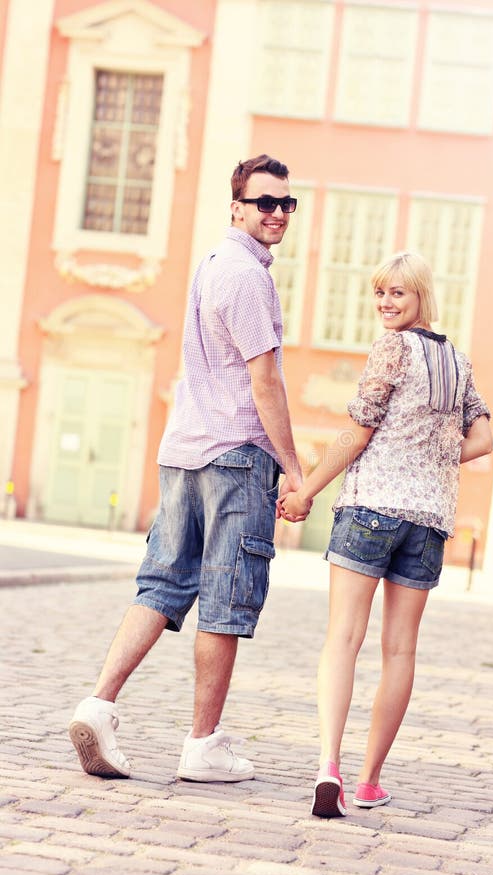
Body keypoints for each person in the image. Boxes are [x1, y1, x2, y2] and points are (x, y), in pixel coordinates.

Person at [69, 153, 308, 783]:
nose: (278, 213)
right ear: (237, 207)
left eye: (287, 203)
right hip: (234, 457)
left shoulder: (212, 264)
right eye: (265, 202)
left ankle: (98, 704)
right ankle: (203, 744)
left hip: (183, 453)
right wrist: (294, 467)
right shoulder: (248, 278)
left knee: (162, 584)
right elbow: (265, 381)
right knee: (226, 600)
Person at [279, 250, 493, 817]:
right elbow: (483, 439)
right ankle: (370, 781)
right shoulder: (459, 361)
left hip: (372, 508)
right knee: (400, 650)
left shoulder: (392, 349)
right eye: (379, 293)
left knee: (343, 639)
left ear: (421, 295)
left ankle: (331, 766)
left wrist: (306, 492)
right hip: (428, 523)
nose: (385, 303)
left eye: (397, 293)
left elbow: (357, 432)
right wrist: (435, 451)